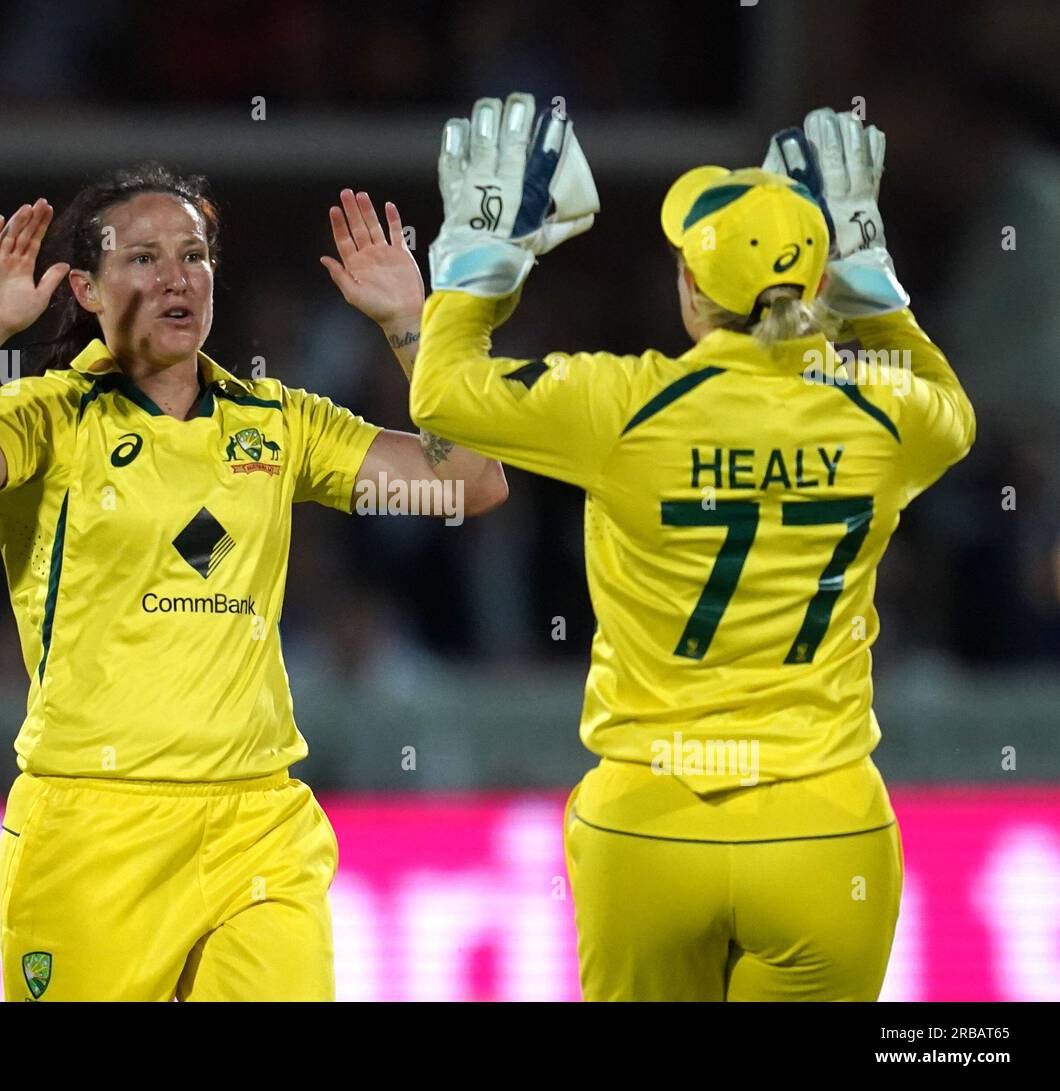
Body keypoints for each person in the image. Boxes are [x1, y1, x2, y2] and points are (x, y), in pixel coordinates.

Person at [0, 165, 506, 1001]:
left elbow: (473, 482)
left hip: (258, 823)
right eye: (144, 258)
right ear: (86, 290)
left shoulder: (279, 422)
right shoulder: (51, 416)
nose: (177, 276)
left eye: (194, 255)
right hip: (94, 826)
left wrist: (410, 325)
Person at [411, 95, 975, 1000]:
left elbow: (440, 393)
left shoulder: (623, 406)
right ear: (817, 280)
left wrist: (485, 259)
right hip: (825, 828)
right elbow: (953, 415)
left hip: (646, 825)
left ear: (691, 289)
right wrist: (873, 288)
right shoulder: (882, 414)